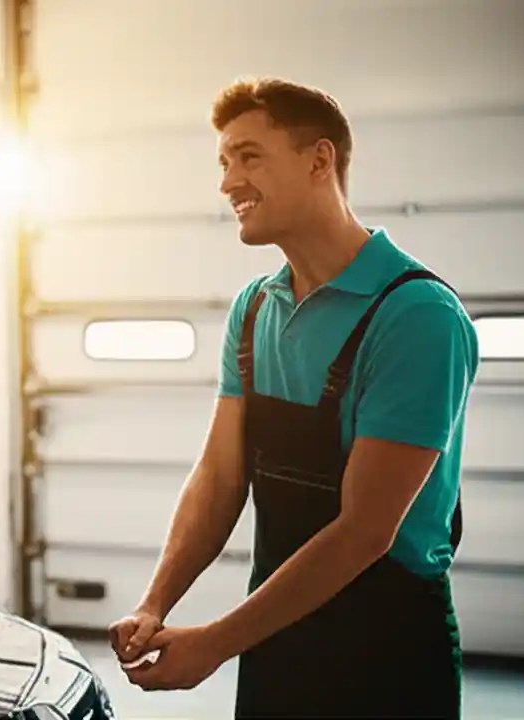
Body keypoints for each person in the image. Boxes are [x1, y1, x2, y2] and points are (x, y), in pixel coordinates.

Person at [108, 77, 478, 718]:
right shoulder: (254, 310)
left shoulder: (416, 315)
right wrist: (155, 603)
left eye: (249, 156)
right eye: (223, 162)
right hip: (276, 633)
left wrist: (214, 645)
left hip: (387, 650)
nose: (227, 183)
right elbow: (221, 477)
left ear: (319, 160)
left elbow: (365, 531)